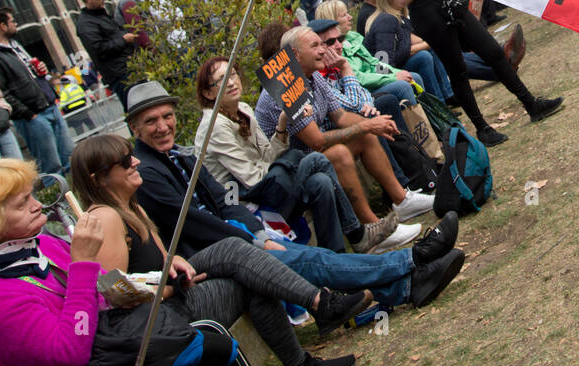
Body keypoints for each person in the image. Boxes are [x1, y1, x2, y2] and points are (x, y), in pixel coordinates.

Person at [0, 158, 355, 366]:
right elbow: (70, 353)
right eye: (22, 204)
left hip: (135, 327)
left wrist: (157, 278)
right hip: (123, 349)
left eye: (32, 194)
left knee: (241, 264)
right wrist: (86, 267)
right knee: (239, 271)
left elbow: (108, 290)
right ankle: (324, 306)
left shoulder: (41, 244)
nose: (38, 206)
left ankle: (311, 337)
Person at [126, 82, 463, 311]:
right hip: (203, 256)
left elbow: (222, 201)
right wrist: (254, 240)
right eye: (151, 121)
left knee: (317, 180)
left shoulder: (181, 154)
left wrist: (254, 234)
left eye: (167, 116)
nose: (163, 126)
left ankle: (405, 285)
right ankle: (410, 260)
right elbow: (194, 223)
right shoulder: (147, 171)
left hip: (238, 229)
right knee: (305, 255)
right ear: (135, 129)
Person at [70, 135, 373, 365]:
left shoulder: (131, 208)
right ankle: (320, 308)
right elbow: (115, 296)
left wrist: (173, 261)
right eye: (124, 162)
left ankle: (315, 323)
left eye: (132, 156)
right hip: (160, 320)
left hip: (171, 298)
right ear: (99, 179)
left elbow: (157, 265)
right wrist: (171, 287)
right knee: (242, 267)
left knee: (238, 255)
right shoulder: (105, 218)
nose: (136, 162)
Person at [193, 56, 414, 254]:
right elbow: (252, 178)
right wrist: (289, 167)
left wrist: (282, 124)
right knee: (319, 159)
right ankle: (358, 233)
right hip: (247, 201)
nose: (231, 82)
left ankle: (335, 256)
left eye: (232, 74)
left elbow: (268, 157)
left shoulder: (243, 109)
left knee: (320, 182)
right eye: (221, 80)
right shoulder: (214, 126)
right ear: (207, 93)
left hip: (270, 181)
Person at [253, 27, 435, 221]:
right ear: (295, 55)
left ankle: (402, 200)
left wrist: (374, 123)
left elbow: (340, 116)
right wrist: (367, 125)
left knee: (366, 133)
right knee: (342, 150)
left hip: (311, 154)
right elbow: (316, 141)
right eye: (315, 46)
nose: (323, 50)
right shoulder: (285, 84)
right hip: (289, 168)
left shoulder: (313, 75)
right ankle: (371, 227)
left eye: (322, 45)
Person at [377, 0, 562, 145]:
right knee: (458, 71)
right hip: (427, 15)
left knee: (494, 53)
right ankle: (482, 127)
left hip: (450, 1)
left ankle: (532, 104)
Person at [0, 7, 73, 174]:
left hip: (49, 105)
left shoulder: (15, 45)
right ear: (2, 26)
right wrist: (29, 114)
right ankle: (59, 197)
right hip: (32, 116)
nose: (16, 24)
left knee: (69, 157)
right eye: (12, 21)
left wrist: (42, 73)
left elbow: (30, 76)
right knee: (51, 166)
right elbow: (1, 92)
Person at [363, 0, 454, 100]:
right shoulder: (386, 20)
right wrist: (421, 46)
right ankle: (439, 104)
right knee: (423, 56)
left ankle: (448, 95)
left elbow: (414, 40)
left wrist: (430, 42)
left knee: (429, 49)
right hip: (385, 74)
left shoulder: (398, 16)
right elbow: (383, 63)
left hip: (395, 66)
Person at [75, 0, 140, 108]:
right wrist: (123, 40)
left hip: (130, 68)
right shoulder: (86, 24)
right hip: (120, 74)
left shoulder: (101, 15)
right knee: (136, 110)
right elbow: (99, 49)